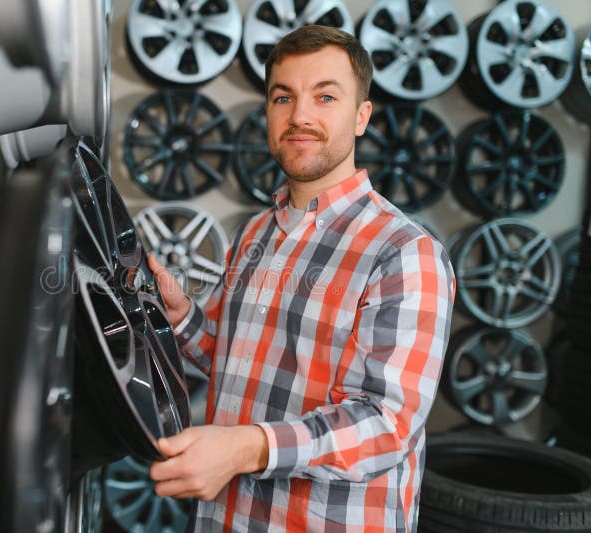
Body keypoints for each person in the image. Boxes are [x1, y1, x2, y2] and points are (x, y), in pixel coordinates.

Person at [146, 25, 455, 532]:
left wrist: (246, 448)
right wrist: (182, 319)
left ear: (362, 117)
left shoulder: (403, 252)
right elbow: (239, 363)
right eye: (283, 96)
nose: (300, 116)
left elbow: (386, 425)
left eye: (325, 96)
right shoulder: (256, 232)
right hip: (230, 518)